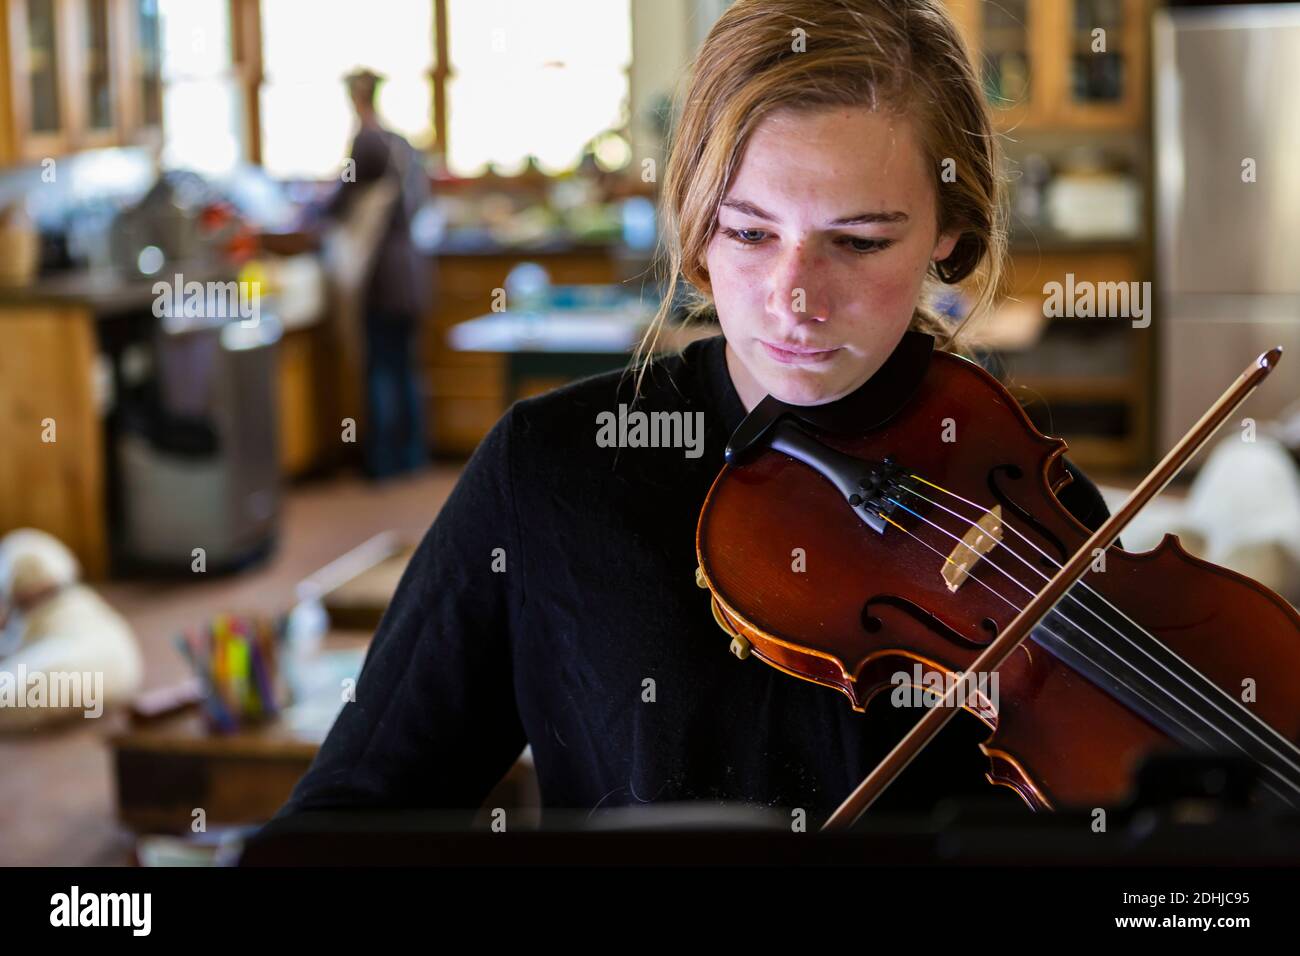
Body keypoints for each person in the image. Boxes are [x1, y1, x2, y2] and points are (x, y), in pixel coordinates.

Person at [269, 0, 1114, 831]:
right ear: (696, 224)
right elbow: (343, 821)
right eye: (749, 234)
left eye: (858, 241)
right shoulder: (549, 472)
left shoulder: (1035, 510)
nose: (796, 301)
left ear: (950, 233)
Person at [324, 68, 430, 480]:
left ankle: (382, 462)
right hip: (412, 268)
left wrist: (314, 213)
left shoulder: (366, 141)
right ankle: (413, 455)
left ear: (355, 96)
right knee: (406, 365)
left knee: (381, 365)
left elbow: (340, 199)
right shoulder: (403, 144)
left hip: (382, 272)